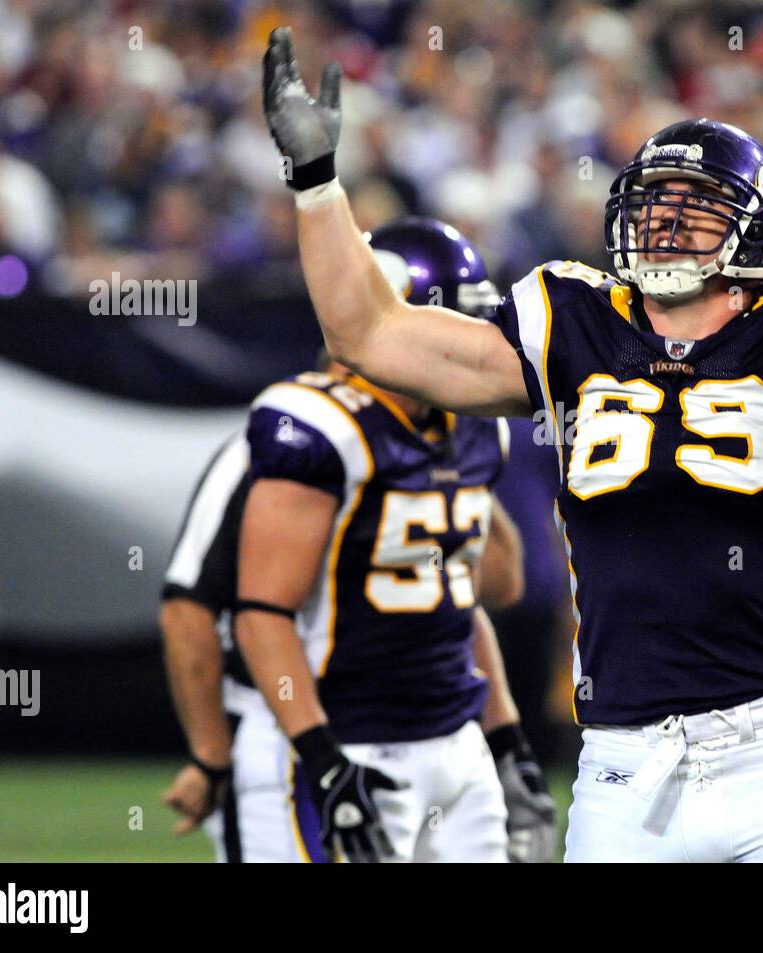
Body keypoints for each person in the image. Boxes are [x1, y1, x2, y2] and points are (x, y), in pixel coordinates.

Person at [261, 4, 763, 861]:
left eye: (694, 208)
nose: (664, 224)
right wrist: (319, 182)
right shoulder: (572, 322)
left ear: (755, 228)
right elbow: (368, 335)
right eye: (655, 204)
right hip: (622, 766)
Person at [161, 218, 556, 862]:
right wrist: (214, 756)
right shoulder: (308, 431)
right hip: (334, 733)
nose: (469, 346)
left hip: (449, 739)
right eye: (455, 323)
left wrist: (506, 740)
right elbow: (208, 611)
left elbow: (472, 591)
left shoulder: (468, 430)